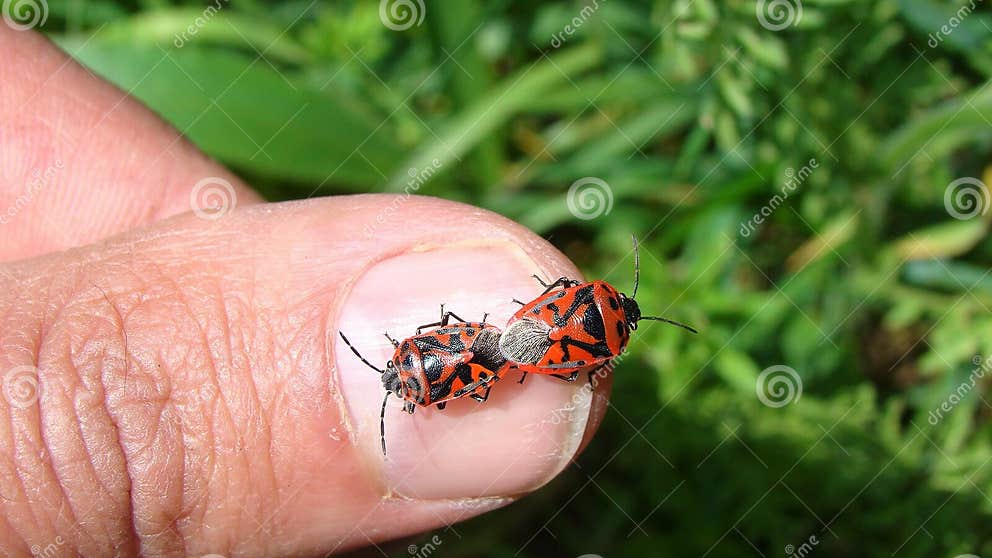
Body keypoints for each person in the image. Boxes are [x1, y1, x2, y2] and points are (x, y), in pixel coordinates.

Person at [0, 25, 609, 556]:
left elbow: (456, 347)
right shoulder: (445, 357)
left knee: (476, 363)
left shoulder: (441, 363)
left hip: (477, 351)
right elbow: (455, 340)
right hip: (477, 350)